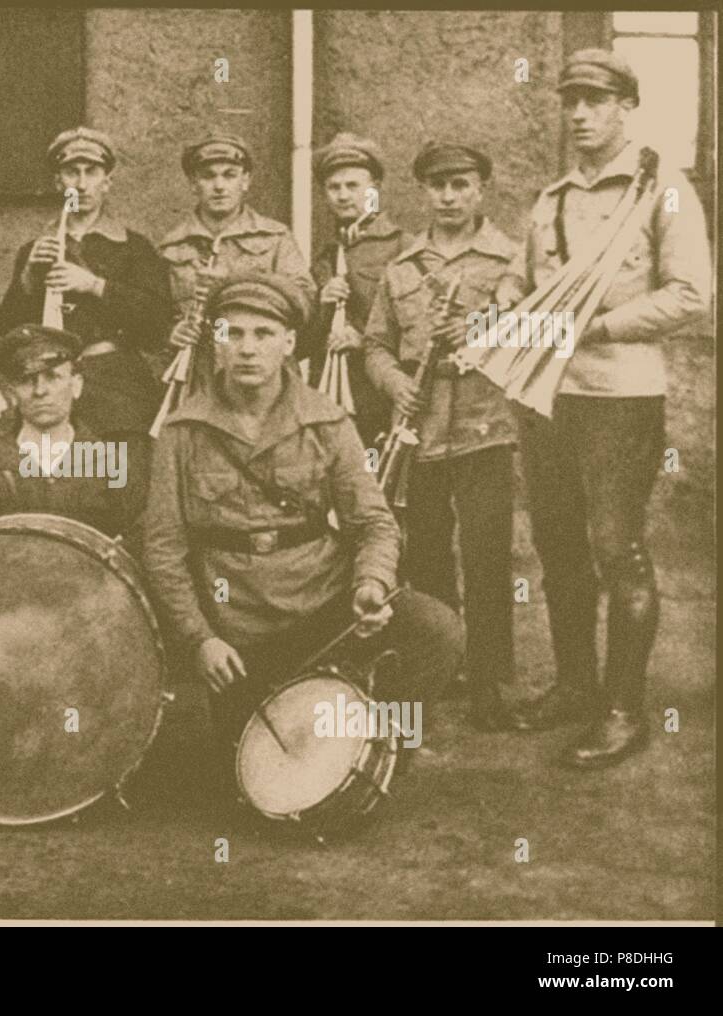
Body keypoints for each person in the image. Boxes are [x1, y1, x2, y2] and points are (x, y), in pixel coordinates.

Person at [143, 273, 462, 796]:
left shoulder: (327, 420)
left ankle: (376, 743)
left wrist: (370, 587)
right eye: (233, 333)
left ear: (289, 342)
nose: (248, 349)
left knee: (436, 629)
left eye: (264, 334)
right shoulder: (182, 432)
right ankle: (313, 718)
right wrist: (201, 639)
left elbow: (373, 523)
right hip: (239, 632)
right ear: (215, 342)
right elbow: (163, 549)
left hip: (325, 609)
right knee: (245, 785)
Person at [501, 51, 710, 766]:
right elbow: (519, 281)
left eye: (597, 100)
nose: (581, 114)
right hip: (547, 396)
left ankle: (624, 710)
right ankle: (576, 686)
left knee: (616, 549)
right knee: (559, 551)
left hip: (621, 398)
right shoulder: (550, 197)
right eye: (572, 101)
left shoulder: (662, 191)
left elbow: (691, 294)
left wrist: (599, 325)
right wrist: (502, 309)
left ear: (627, 105)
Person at [363, 141, 520, 732]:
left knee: (486, 556)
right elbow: (375, 341)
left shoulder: (508, 261)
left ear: (481, 190)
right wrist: (393, 382)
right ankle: (442, 664)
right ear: (424, 193)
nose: (449, 197)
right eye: (438, 187)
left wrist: (479, 335)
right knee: (426, 555)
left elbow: (533, 337)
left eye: (461, 186)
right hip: (418, 433)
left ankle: (489, 681)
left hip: (485, 426)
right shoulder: (402, 266)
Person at [0, 126, 172, 439]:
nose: (80, 184)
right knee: (58, 481)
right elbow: (8, 331)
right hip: (51, 386)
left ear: (107, 182)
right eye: (71, 172)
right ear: (57, 182)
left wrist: (95, 285)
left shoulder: (134, 247)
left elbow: (158, 326)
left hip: (117, 387)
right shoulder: (34, 249)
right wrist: (28, 278)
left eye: (91, 172)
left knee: (119, 478)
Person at [157, 130, 315, 400]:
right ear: (193, 183)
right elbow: (155, 314)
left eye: (229, 175)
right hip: (197, 377)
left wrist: (232, 283)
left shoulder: (275, 237)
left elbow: (305, 302)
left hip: (264, 373)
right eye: (208, 176)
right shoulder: (172, 247)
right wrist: (171, 332)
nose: (219, 186)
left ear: (245, 181)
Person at [0, 324, 145, 539]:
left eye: (53, 377)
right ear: (12, 394)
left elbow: (133, 546)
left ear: (76, 385)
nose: (40, 391)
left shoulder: (110, 464)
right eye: (26, 380)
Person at [303, 131, 406, 447]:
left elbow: (415, 329)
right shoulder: (324, 255)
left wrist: (362, 338)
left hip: (379, 396)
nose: (343, 195)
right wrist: (322, 304)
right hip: (330, 396)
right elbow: (302, 343)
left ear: (374, 189)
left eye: (353, 186)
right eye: (333, 188)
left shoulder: (403, 247)